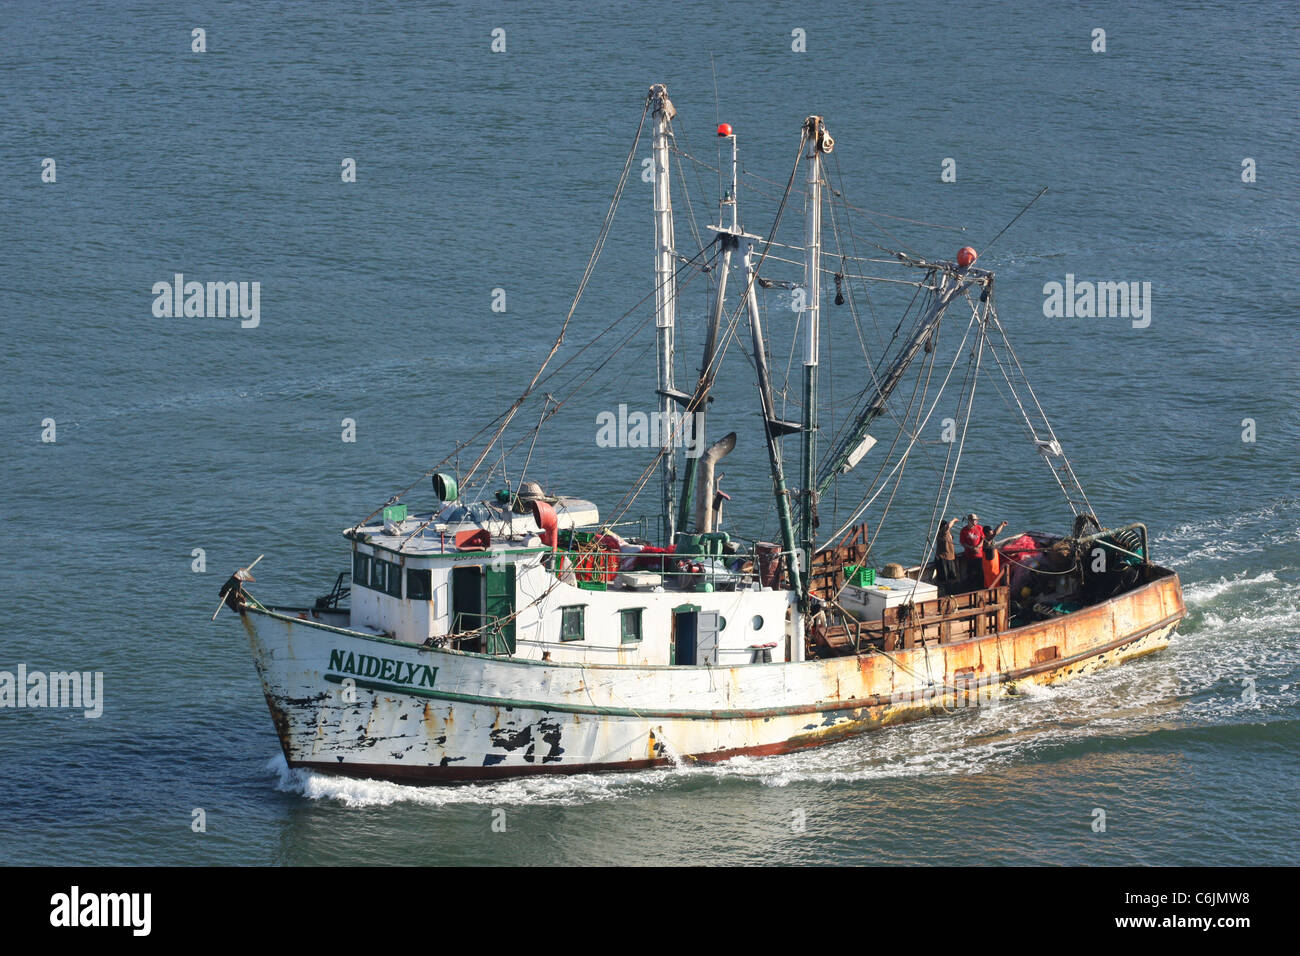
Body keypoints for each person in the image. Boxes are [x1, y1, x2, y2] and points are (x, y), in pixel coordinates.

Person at [980, 521, 1009, 588]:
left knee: (994, 574)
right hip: (990, 562)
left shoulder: (989, 539)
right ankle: (991, 587)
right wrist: (1001, 525)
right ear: (987, 533)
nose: (992, 531)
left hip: (992, 561)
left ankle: (993, 586)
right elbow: (996, 533)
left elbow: (995, 532)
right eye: (991, 530)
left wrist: (1001, 525)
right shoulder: (987, 540)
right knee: (991, 575)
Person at [934, 517, 960, 593]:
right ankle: (946, 593)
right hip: (943, 558)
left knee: (952, 577)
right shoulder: (942, 532)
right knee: (945, 578)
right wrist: (954, 520)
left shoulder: (947, 533)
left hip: (950, 558)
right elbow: (948, 526)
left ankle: (951, 592)